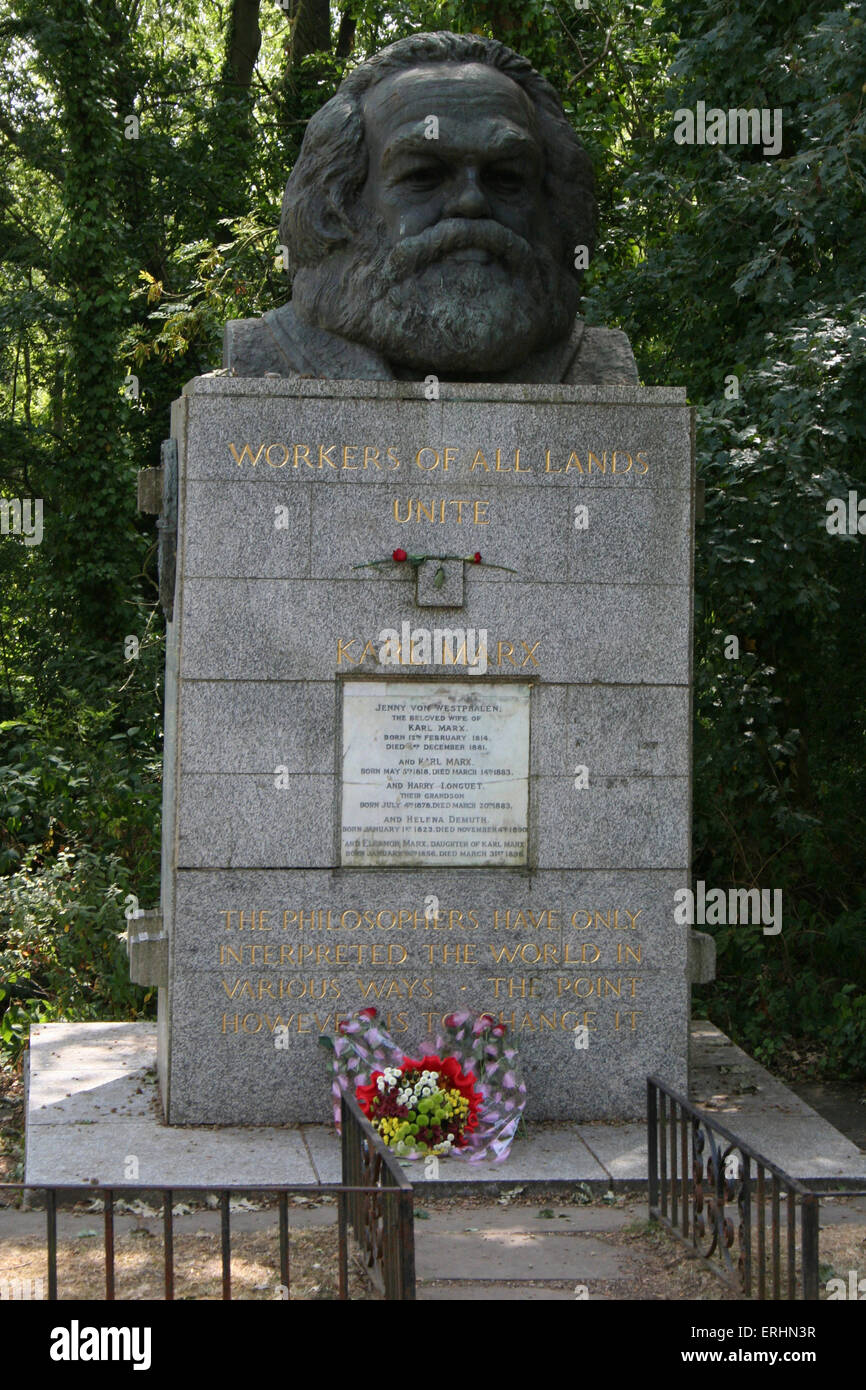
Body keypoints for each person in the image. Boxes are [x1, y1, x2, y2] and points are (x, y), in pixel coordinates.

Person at [224, 31, 637, 385]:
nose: (472, 201)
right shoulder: (261, 353)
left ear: (552, 203)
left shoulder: (598, 366)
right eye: (423, 175)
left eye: (506, 177)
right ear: (339, 204)